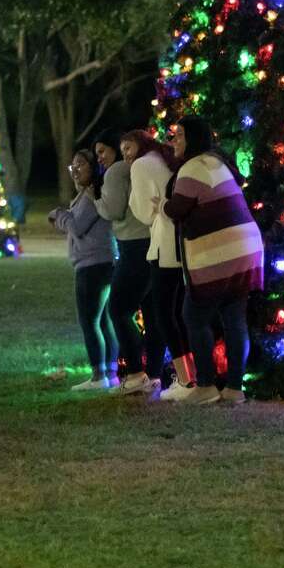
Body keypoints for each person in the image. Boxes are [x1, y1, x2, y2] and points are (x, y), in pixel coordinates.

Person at [160, 117, 264, 405]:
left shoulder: (192, 168)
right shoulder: (218, 163)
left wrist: (161, 205)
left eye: (179, 135)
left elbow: (177, 208)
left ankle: (205, 385)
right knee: (234, 317)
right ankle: (234, 388)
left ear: (193, 139)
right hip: (246, 250)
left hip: (218, 254)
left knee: (192, 315)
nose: (174, 141)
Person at [122, 129, 198, 399]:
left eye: (128, 149)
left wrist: (136, 189)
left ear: (140, 145)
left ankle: (186, 379)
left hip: (164, 246)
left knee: (165, 314)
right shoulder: (165, 159)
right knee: (179, 312)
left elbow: (143, 213)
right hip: (183, 244)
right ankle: (193, 376)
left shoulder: (142, 165)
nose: (126, 156)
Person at [90, 129, 157, 398]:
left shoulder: (117, 171)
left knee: (118, 309)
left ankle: (135, 374)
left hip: (132, 246)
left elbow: (114, 210)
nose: (100, 159)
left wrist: (96, 200)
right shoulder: (145, 165)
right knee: (152, 315)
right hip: (153, 244)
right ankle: (153, 374)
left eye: (102, 152)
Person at [49, 149, 119, 391]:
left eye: (81, 165)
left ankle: (100, 376)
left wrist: (59, 215)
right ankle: (110, 372)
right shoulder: (88, 196)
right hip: (101, 263)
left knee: (90, 321)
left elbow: (77, 227)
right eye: (73, 167)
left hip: (92, 266)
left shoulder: (90, 197)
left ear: (94, 169)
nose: (76, 170)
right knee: (103, 320)